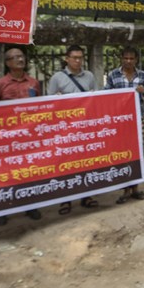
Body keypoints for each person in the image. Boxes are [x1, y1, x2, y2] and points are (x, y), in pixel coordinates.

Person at [0, 47, 43, 227]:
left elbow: (40, 107)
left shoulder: (34, 83)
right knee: (5, 174)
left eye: (21, 56)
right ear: (7, 63)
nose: (20, 60)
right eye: (15, 57)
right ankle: (4, 208)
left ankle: (30, 205)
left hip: (29, 137)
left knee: (29, 171)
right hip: (7, 139)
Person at [47, 44, 97, 213]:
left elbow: (96, 98)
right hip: (64, 129)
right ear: (66, 59)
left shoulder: (89, 76)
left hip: (84, 127)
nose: (78, 61)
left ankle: (86, 196)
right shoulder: (57, 78)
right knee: (65, 164)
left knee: (85, 162)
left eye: (80, 57)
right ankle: (65, 200)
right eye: (74, 58)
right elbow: (49, 103)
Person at [105, 46, 144, 204]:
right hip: (120, 122)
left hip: (137, 121)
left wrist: (142, 92)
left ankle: (136, 188)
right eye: (126, 58)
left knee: (136, 154)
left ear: (136, 60)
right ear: (121, 59)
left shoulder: (142, 75)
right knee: (122, 154)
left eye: (132, 58)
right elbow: (106, 98)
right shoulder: (113, 76)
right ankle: (125, 189)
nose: (129, 61)